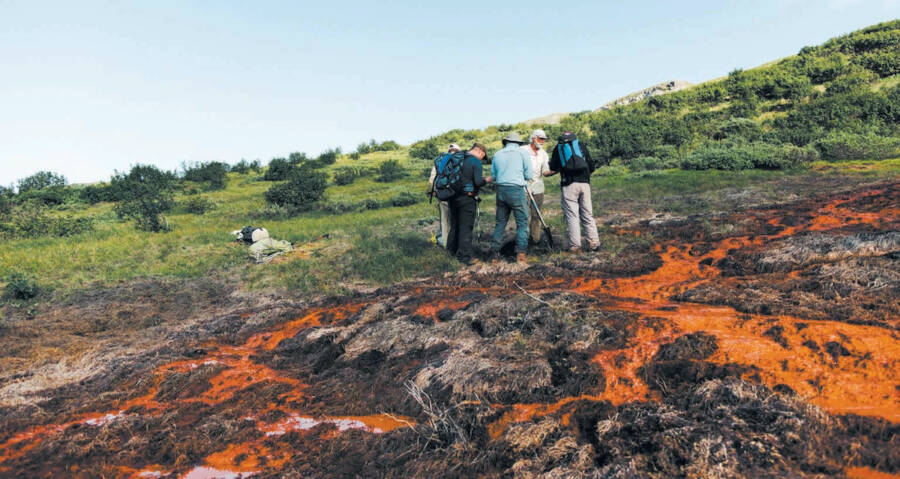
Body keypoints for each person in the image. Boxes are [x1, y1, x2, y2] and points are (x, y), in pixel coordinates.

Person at [545, 131, 601, 252]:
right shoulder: (581, 145)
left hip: (569, 184)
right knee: (587, 214)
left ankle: (575, 246)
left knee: (572, 216)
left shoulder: (558, 148)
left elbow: (553, 167)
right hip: (585, 184)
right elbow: (591, 165)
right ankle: (594, 243)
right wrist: (585, 176)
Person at [490, 132, 533, 263]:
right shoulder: (523, 153)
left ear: (506, 142)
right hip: (516, 190)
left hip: (501, 190)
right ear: (518, 143)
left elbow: (494, 175)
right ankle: (521, 254)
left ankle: (495, 255)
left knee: (500, 223)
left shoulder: (497, 154)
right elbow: (528, 174)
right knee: (522, 223)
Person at [446, 143, 489, 265]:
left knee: (455, 225)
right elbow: (478, 182)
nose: (482, 159)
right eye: (483, 156)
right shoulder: (475, 162)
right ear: (481, 151)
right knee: (466, 227)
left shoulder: (457, 157)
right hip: (467, 198)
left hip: (452, 196)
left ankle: (451, 253)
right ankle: (465, 257)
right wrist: (488, 179)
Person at [520, 129, 551, 245]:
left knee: (536, 215)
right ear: (533, 138)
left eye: (544, 139)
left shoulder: (544, 154)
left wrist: (555, 170)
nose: (542, 141)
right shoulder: (522, 150)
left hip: (538, 187)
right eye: (540, 139)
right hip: (523, 186)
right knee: (523, 215)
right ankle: (522, 240)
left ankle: (535, 240)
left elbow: (545, 171)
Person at [428, 143, 461, 247]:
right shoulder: (460, 160)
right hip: (457, 194)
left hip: (442, 194)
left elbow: (432, 178)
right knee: (457, 220)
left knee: (445, 221)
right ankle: (457, 244)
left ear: (449, 150)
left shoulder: (440, 160)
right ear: (458, 151)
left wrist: (432, 191)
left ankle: (446, 244)